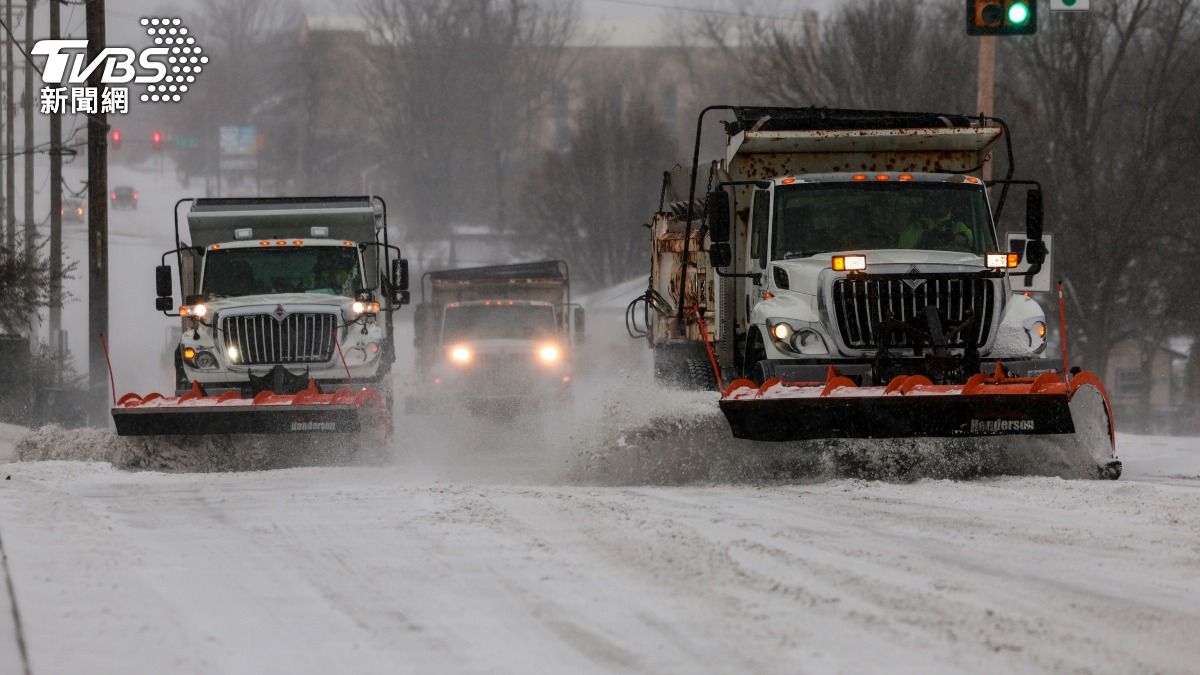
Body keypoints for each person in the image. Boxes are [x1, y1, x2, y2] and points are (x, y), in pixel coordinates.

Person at [898, 210, 973, 251]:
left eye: (942, 198)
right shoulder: (915, 227)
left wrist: (953, 238)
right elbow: (903, 252)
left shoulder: (957, 226)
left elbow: (971, 241)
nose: (939, 203)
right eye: (933, 198)